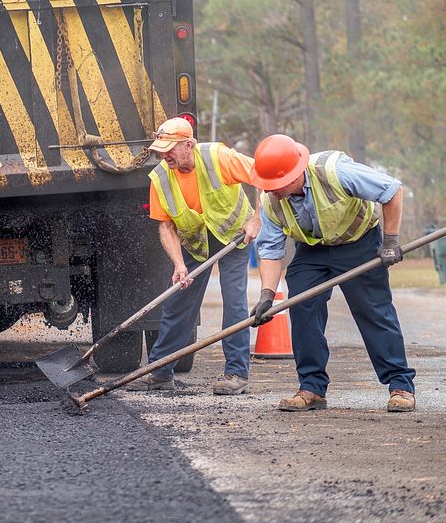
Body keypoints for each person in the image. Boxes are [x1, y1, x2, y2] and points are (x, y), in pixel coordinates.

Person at [248, 133, 415, 413]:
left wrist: (389, 241)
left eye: (276, 184)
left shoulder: (336, 171)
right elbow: (271, 250)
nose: (271, 191)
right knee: (301, 305)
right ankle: (312, 388)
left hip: (358, 242)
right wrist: (267, 294)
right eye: (268, 185)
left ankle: (401, 385)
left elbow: (391, 190)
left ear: (295, 173)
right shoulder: (271, 202)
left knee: (373, 310)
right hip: (312, 250)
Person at [127, 117, 261, 395]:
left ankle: (237, 373)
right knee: (178, 301)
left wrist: (257, 219)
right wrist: (178, 264)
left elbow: (264, 175)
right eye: (161, 149)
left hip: (234, 236)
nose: (165, 155)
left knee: (234, 299)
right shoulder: (160, 178)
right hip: (195, 243)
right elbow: (166, 226)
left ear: (189, 145)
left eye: (171, 148)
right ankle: (161, 372)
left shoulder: (218, 157)